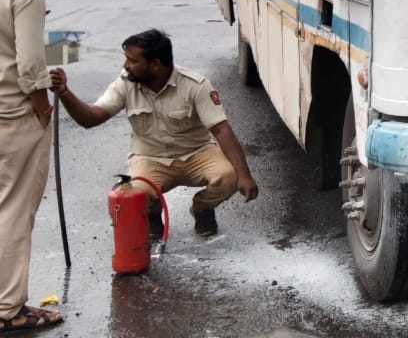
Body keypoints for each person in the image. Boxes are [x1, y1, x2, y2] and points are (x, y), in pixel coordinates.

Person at [50, 29, 258, 238]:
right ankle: (152, 212)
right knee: (135, 192)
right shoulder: (125, 84)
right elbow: (90, 119)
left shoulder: (195, 85)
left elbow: (221, 129)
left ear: (156, 64)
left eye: (132, 60)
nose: (125, 65)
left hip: (196, 153)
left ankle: (202, 208)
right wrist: (65, 93)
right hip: (150, 157)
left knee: (230, 176)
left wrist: (245, 175)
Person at [0, 0, 61, 333]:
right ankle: (8, 308)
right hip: (13, 112)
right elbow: (30, 62)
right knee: (14, 208)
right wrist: (41, 104)